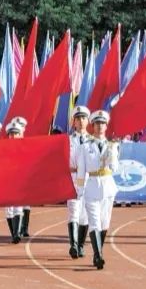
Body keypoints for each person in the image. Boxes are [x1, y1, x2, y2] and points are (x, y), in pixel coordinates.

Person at [75, 110, 119, 270]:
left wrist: (112, 155)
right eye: (97, 123)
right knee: (94, 222)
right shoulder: (85, 147)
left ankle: (97, 253)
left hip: (108, 187)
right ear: (92, 125)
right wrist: (79, 191)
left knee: (104, 222)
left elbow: (114, 168)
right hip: (92, 186)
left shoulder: (112, 146)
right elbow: (81, 171)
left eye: (102, 123)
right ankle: (98, 255)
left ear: (106, 126)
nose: (100, 126)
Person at [67, 106, 90, 259]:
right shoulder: (68, 140)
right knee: (74, 212)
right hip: (74, 179)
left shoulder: (93, 140)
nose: (81, 121)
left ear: (88, 121)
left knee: (85, 215)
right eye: (78, 119)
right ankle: (73, 245)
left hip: (89, 181)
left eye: (83, 118)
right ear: (73, 122)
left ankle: (81, 245)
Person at [4, 120, 26, 244]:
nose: (13, 136)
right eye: (11, 134)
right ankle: (13, 233)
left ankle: (17, 234)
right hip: (7, 182)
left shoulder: (24, 147)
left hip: (20, 181)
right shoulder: (3, 149)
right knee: (8, 209)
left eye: (16, 133)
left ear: (20, 134)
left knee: (18, 207)